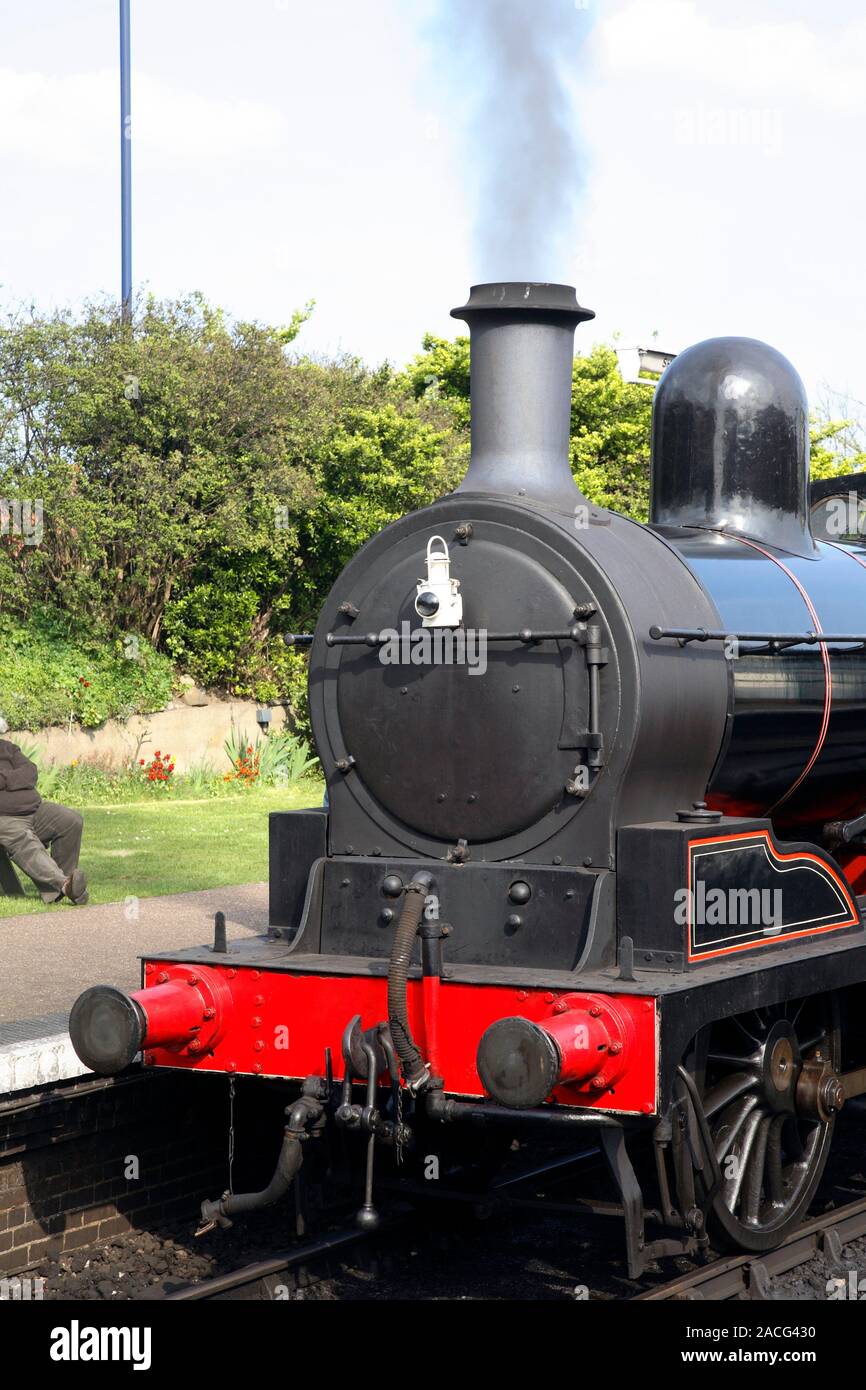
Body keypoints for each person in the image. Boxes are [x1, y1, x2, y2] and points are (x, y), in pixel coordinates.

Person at [0, 728, 88, 905]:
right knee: (23, 839)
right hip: (5, 818)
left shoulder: (7, 748)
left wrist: (4, 780)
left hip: (34, 810)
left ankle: (62, 889)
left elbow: (31, 772)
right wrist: (15, 780)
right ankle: (64, 885)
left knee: (70, 820)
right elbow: (23, 776)